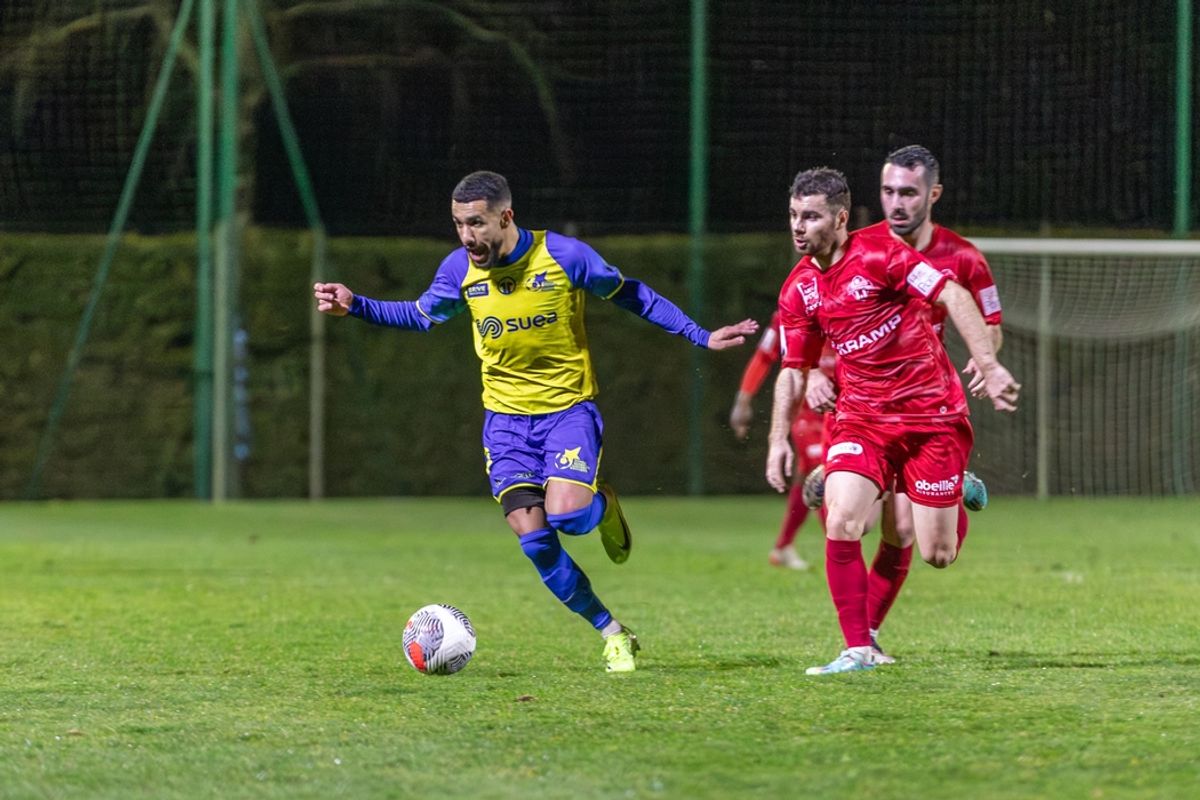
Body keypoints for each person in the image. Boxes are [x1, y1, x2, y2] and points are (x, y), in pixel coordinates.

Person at [314, 171, 758, 673]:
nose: (467, 237)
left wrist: (699, 335)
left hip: (568, 412)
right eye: (459, 224)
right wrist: (356, 306)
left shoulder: (564, 257)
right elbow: (421, 315)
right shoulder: (459, 269)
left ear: (506, 216)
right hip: (504, 424)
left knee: (568, 516)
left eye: (476, 223)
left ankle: (603, 503)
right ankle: (612, 633)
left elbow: (631, 292)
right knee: (536, 542)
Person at [765, 167, 1019, 675]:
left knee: (936, 552)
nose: (798, 226)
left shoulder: (882, 254)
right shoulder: (799, 290)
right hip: (862, 419)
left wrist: (988, 365)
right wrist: (776, 440)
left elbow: (954, 295)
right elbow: (793, 369)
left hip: (931, 415)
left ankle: (953, 489)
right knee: (841, 519)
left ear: (839, 219)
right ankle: (857, 648)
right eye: (793, 215)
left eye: (810, 217)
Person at [729, 312, 835, 570]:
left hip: (840, 402)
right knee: (822, 467)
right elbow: (765, 355)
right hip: (804, 406)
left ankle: (783, 547)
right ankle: (839, 552)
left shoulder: (851, 297)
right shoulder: (789, 312)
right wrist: (743, 401)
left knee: (807, 475)